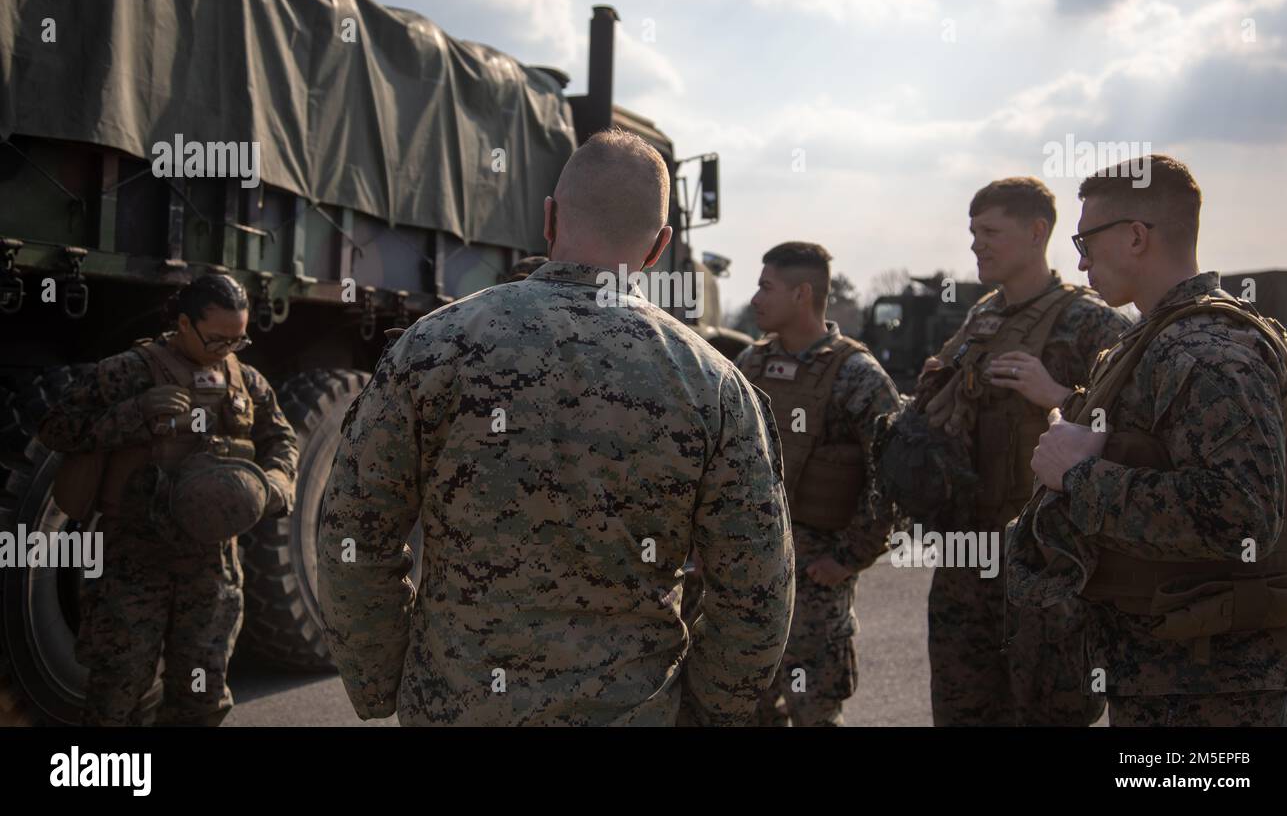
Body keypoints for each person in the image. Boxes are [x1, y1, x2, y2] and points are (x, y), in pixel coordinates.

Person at [318, 129, 794, 726]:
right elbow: (756, 591)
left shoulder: (433, 347)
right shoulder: (714, 384)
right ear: (659, 247)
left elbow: (352, 538)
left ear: (549, 219)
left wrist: (382, 682)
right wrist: (706, 712)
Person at [1010, 154, 1287, 726]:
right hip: (1161, 673)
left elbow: (1244, 519)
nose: (1080, 259)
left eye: (1086, 239)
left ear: (1136, 237)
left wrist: (1080, 476)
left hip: (1211, 691)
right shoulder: (1152, 342)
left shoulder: (1206, 353)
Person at [38, 273, 298, 725]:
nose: (229, 350)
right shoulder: (130, 371)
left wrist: (276, 483)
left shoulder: (243, 379)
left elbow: (281, 439)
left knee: (201, 692)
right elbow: (57, 428)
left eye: (239, 340)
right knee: (118, 690)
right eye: (218, 339)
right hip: (135, 559)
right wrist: (136, 414)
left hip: (212, 564)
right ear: (183, 323)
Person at [921, 177, 1128, 725]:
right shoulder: (979, 319)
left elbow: (1135, 434)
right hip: (967, 554)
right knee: (962, 707)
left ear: (1038, 232)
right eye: (972, 232)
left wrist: (1058, 396)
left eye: (990, 231)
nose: (976, 245)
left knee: (1046, 713)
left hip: (1046, 565)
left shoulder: (1093, 321)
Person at [737, 242, 899, 726]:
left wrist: (849, 558)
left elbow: (889, 477)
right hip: (750, 579)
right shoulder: (751, 364)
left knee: (815, 713)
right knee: (748, 709)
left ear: (802, 294)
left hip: (816, 582)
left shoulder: (857, 375)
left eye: (767, 287)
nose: (755, 299)